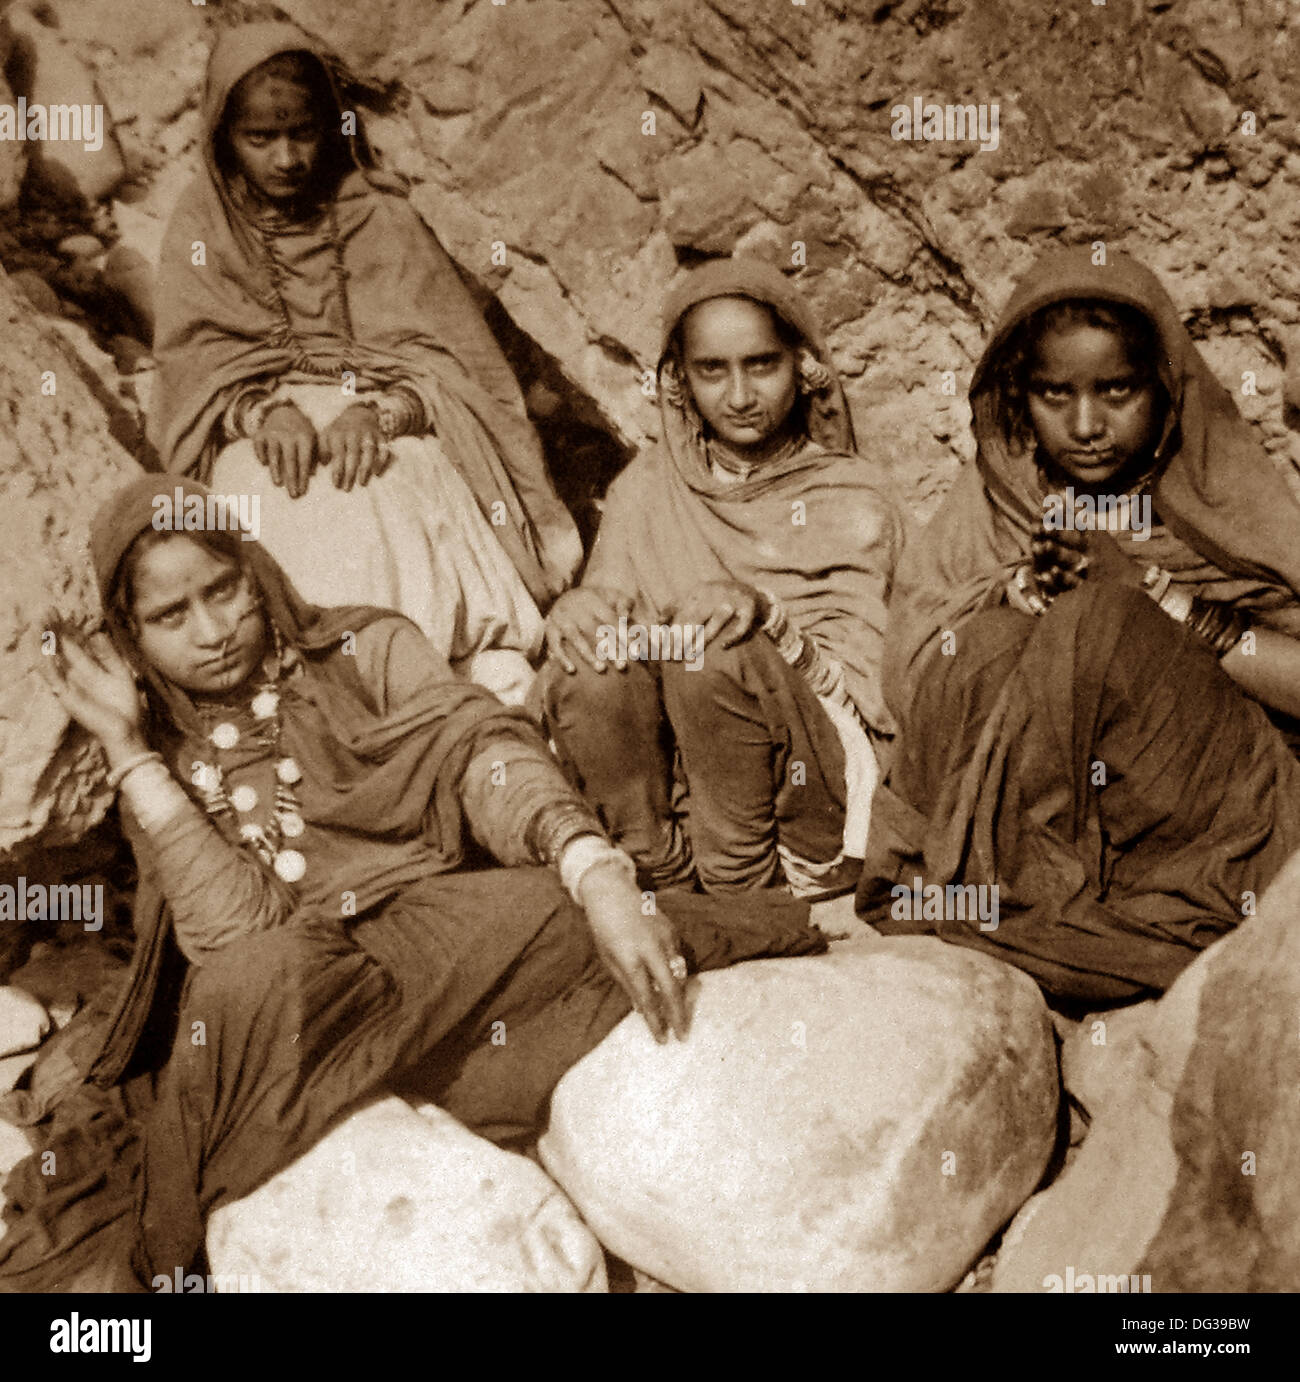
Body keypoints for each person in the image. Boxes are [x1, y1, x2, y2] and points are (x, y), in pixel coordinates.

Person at [0, 477, 821, 1292]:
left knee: (545, 907)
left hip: (445, 943)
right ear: (132, 635)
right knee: (248, 983)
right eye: (171, 617)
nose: (212, 631)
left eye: (225, 591)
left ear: (255, 571)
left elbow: (484, 754)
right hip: (300, 987)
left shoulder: (367, 646)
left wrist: (596, 871)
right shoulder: (156, 758)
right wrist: (127, 750)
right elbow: (238, 937)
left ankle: (332, 1094)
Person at [856, 247, 1300, 1004]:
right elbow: (915, 679)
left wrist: (1173, 610)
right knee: (997, 637)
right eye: (1054, 394)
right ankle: (1034, 900)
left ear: (1163, 391)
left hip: (1207, 812)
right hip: (1035, 825)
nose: (1086, 424)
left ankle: (1109, 917)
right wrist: (1017, 599)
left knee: (1101, 617)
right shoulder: (997, 501)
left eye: (1117, 391)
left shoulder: (1218, 491)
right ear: (1018, 397)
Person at [151, 20, 583, 704]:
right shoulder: (201, 232)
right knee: (259, 494)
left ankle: (454, 676)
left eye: (303, 133)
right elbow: (191, 374)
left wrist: (381, 412)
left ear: (332, 127)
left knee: (398, 483)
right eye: (260, 138)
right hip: (259, 435)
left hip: (394, 419)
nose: (287, 158)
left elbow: (456, 368)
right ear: (222, 139)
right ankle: (320, 698)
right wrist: (261, 411)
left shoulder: (382, 219)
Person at [539, 257, 905, 897]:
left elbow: (882, 690)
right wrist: (579, 611)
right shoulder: (648, 489)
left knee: (714, 650)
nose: (739, 396)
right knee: (588, 661)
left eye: (762, 364)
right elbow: (613, 612)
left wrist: (765, 616)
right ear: (680, 380)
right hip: (685, 787)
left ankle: (744, 890)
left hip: (807, 794)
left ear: (802, 365)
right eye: (713, 370)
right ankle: (660, 871)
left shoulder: (853, 492)